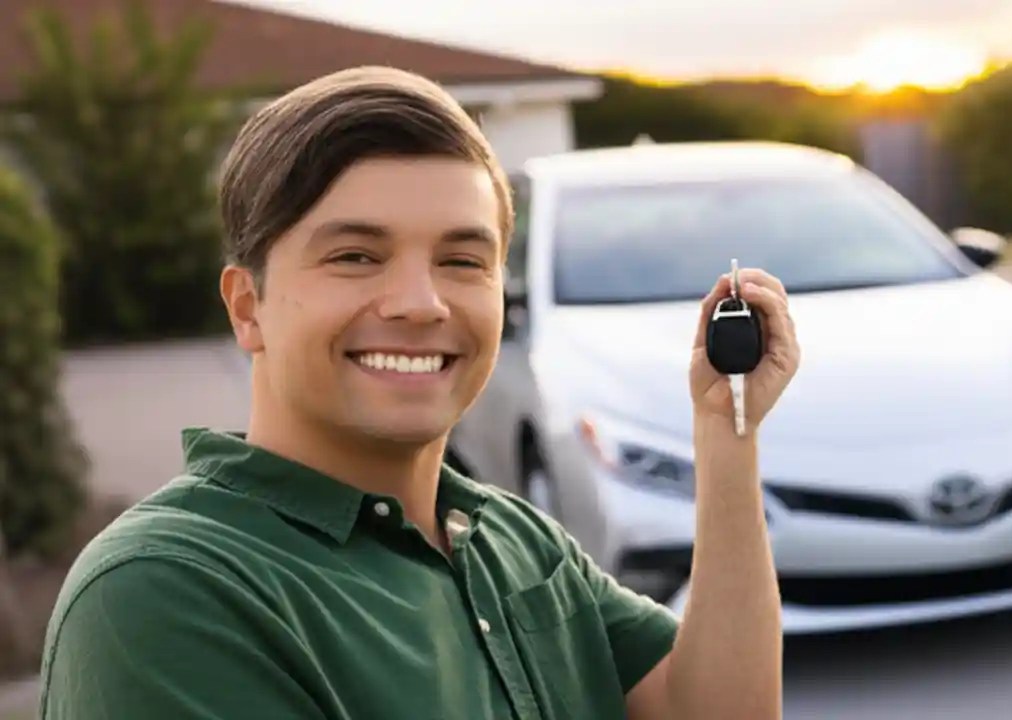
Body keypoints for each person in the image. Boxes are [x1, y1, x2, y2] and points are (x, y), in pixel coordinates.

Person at [38, 66, 800, 719]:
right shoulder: (166, 591)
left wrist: (726, 430)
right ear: (248, 307)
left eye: (463, 261)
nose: (420, 303)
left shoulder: (512, 542)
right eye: (356, 256)